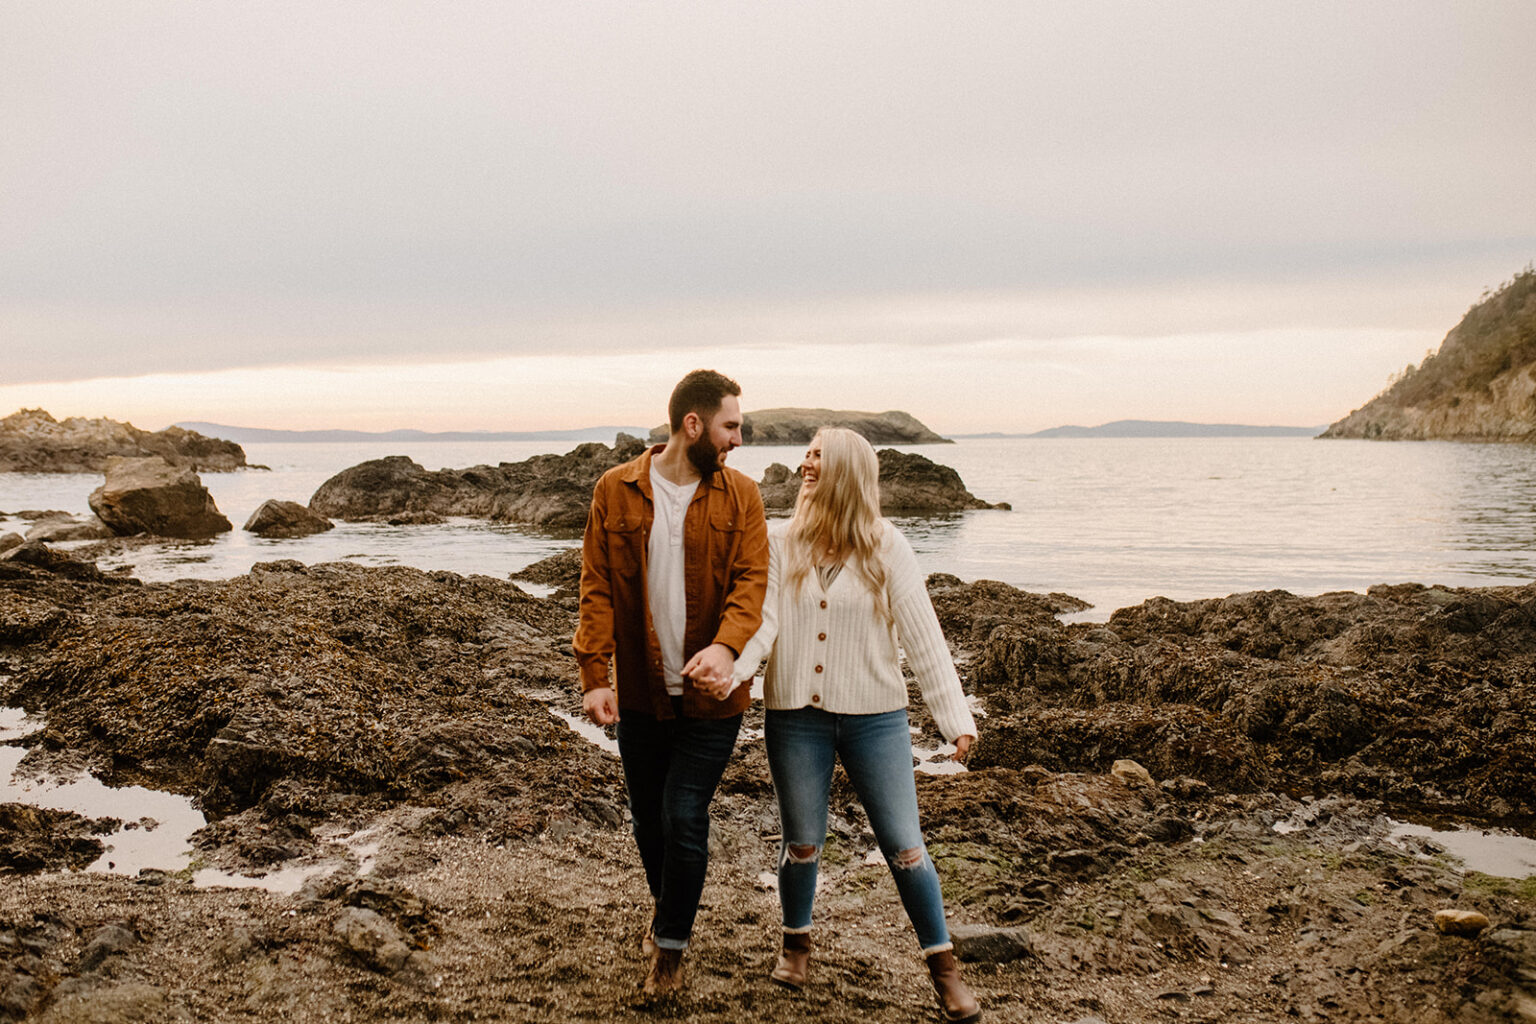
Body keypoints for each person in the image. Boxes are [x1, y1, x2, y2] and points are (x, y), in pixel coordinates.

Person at [732, 426, 982, 1024]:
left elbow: (924, 637)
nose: (805, 465)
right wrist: (734, 673)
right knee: (802, 842)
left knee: (906, 847)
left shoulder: (887, 547)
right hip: (796, 718)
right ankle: (796, 944)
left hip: (877, 721)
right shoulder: (780, 541)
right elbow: (762, 622)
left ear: (845, 468)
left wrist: (954, 718)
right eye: (806, 454)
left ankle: (945, 971)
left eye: (817, 455)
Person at [575, 369, 769, 998]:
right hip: (641, 692)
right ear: (693, 425)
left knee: (684, 816)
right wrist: (594, 676)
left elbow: (751, 584)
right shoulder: (615, 489)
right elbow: (597, 588)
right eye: (731, 426)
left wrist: (725, 647)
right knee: (648, 823)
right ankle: (667, 913)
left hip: (715, 699)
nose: (739, 439)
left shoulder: (743, 496)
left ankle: (670, 951)